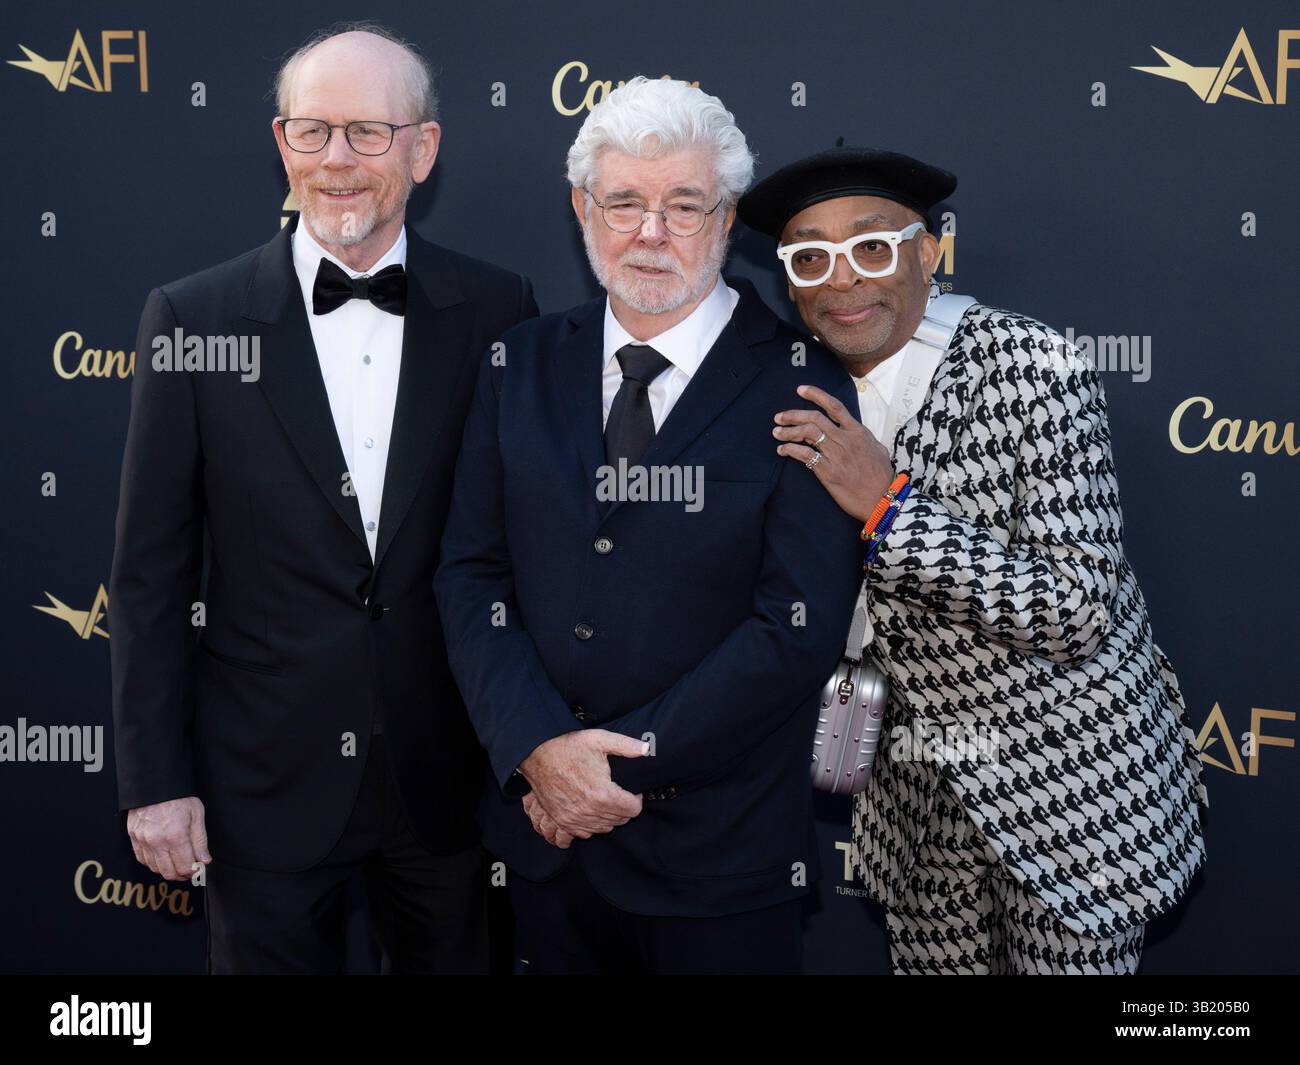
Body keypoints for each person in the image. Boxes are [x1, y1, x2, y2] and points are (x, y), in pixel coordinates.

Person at [109, 23, 537, 974]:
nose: (337, 160)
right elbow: (148, 572)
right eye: (313, 133)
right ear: (280, 144)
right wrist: (155, 781)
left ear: (422, 151)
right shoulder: (192, 317)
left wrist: (536, 742)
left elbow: (521, 547)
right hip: (261, 782)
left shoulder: (499, 307)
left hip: (448, 780)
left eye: (368, 133)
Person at [738, 146, 1207, 974]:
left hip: (1068, 793)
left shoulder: (1036, 366)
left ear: (926, 252)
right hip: (917, 798)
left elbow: (1076, 608)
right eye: (811, 255)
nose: (842, 279)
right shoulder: (784, 384)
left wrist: (888, 509)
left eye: (872, 247)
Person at [434, 78, 864, 975]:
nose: (651, 232)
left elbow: (795, 629)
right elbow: (472, 574)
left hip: (720, 866)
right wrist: (538, 751)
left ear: (728, 216)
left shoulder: (801, 379)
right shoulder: (519, 362)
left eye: (683, 204)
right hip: (540, 856)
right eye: (624, 201)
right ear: (583, 209)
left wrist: (609, 774)